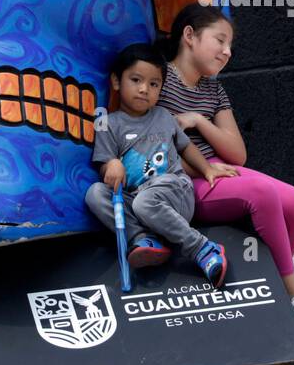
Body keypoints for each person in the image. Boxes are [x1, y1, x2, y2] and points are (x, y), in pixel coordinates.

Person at [154, 3, 294, 334]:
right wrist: (201, 168)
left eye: (230, 46)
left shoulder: (213, 89)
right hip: (180, 178)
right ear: (190, 35)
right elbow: (151, 149)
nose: (226, 52)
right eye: (220, 41)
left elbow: (236, 154)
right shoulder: (159, 81)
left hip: (220, 169)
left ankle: (268, 282)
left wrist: (198, 121)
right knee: (262, 192)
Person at [84, 43, 239, 286]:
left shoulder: (163, 117)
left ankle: (202, 248)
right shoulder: (108, 124)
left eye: (153, 84)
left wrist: (207, 168)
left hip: (175, 191)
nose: (144, 89)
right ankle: (144, 239)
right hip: (137, 199)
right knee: (95, 194)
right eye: (136, 80)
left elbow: (185, 147)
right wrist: (111, 163)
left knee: (145, 201)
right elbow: (105, 163)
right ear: (116, 81)